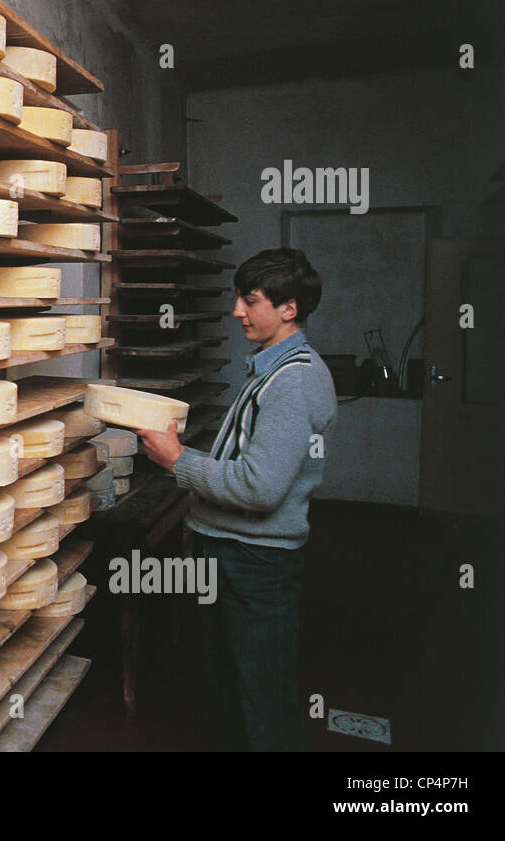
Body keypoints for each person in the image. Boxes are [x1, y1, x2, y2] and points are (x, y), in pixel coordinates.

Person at [135, 248, 336, 751]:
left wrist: (177, 460)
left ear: (288, 309)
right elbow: (251, 462)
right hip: (232, 553)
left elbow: (260, 487)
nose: (236, 312)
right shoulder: (273, 370)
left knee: (263, 703)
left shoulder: (294, 381)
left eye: (250, 301)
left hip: (253, 561)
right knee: (227, 687)